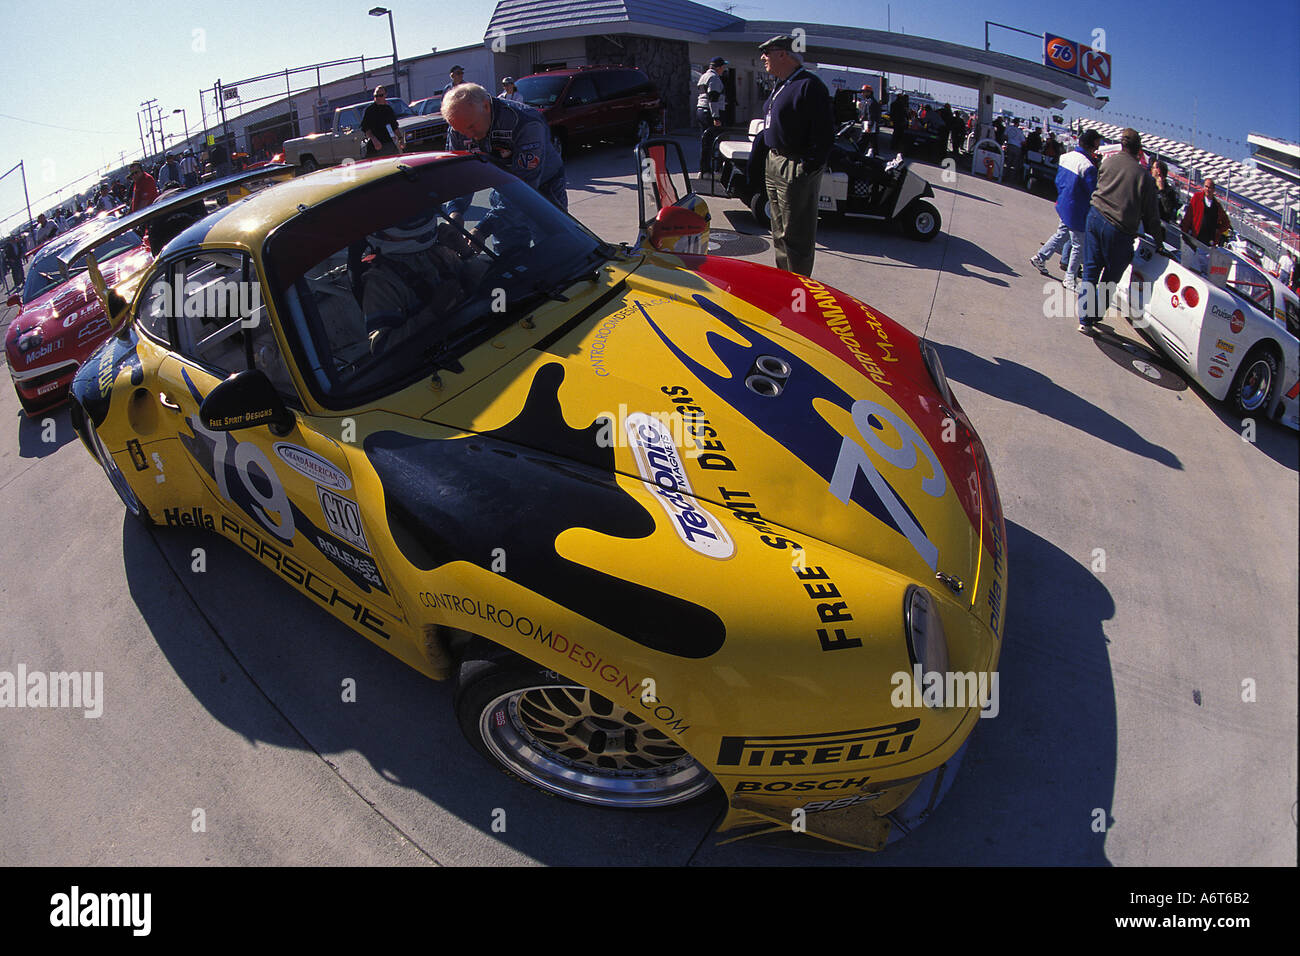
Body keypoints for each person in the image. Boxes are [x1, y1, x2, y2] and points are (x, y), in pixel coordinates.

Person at [758, 34, 834, 277]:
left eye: (767, 53)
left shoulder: (809, 86)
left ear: (783, 54)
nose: (763, 58)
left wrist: (806, 168)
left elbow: (824, 135)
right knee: (778, 232)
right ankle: (784, 282)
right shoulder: (782, 84)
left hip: (794, 166)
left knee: (796, 236)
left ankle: (799, 291)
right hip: (774, 162)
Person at [1078, 128, 1164, 333]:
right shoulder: (1144, 177)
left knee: (1090, 269)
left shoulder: (1108, 161)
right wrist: (1159, 241)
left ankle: (1085, 319)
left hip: (1095, 217)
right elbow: (1152, 216)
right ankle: (1094, 315)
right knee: (1110, 277)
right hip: (1119, 229)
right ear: (1139, 150)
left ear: (1122, 144)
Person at [362, 209, 484, 355]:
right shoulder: (381, 281)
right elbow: (382, 348)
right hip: (442, 358)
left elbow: (489, 289)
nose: (414, 217)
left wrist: (465, 252)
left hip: (477, 336)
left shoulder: (440, 252)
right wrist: (433, 311)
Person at [443, 83, 567, 210]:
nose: (469, 135)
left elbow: (526, 189)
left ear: (486, 106)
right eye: (462, 131)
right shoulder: (458, 127)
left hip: (544, 187)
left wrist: (483, 227)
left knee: (551, 227)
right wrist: (455, 211)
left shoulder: (526, 122)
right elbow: (460, 174)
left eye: (471, 127)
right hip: (504, 186)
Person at [1030, 129, 1101, 292]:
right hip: (1078, 209)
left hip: (1064, 204)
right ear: (1092, 146)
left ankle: (1040, 257)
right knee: (1078, 244)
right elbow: (1093, 192)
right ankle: (1069, 278)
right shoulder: (1089, 166)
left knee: (1061, 233)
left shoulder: (1066, 157)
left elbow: (1059, 180)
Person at [696, 56, 728, 174]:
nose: (724, 69)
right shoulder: (714, 78)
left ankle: (704, 169)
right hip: (709, 112)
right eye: (723, 66)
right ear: (718, 67)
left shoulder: (703, 76)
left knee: (706, 141)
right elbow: (713, 98)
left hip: (701, 109)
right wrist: (716, 117)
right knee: (716, 141)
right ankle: (713, 170)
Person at [1180, 177, 1232, 247]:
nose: (1207, 189)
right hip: (1195, 238)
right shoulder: (1197, 198)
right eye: (1206, 187)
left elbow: (1226, 223)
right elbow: (1188, 216)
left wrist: (1218, 230)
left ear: (1213, 190)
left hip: (1209, 243)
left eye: (1210, 188)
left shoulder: (1217, 205)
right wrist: (1184, 232)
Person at [360, 86, 403, 159]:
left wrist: (400, 138)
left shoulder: (388, 109)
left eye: (381, 95)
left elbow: (394, 126)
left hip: (389, 143)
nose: (378, 98)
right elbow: (365, 128)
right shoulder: (370, 110)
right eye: (376, 96)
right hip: (376, 147)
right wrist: (374, 139)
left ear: (385, 95)